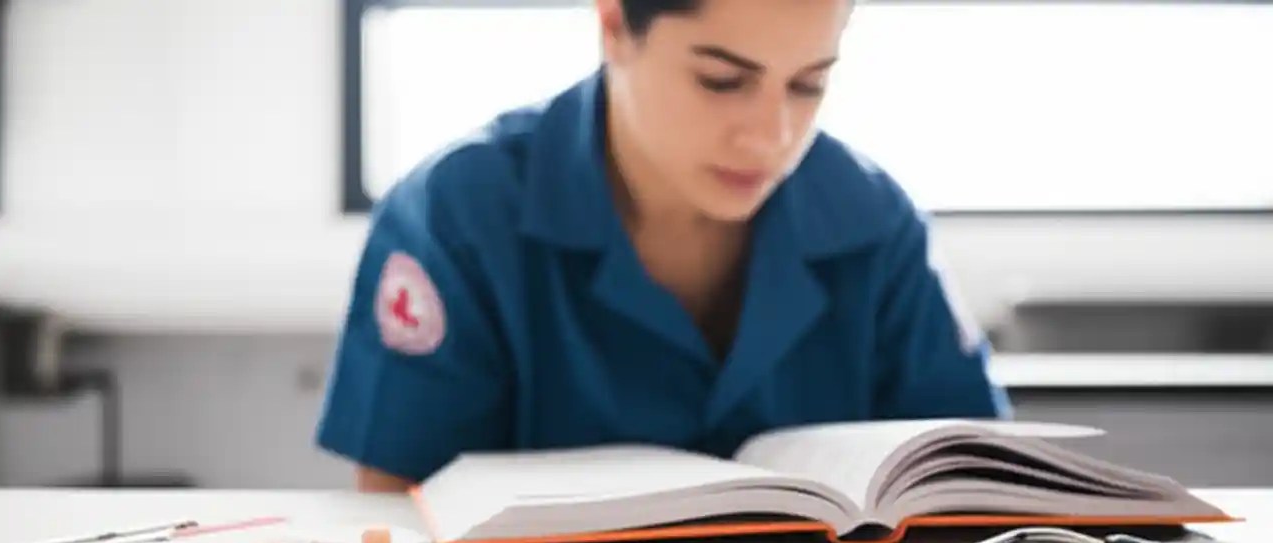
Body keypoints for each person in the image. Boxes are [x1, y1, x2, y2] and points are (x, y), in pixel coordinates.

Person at [317, 0, 1012, 493]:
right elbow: (398, 530)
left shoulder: (875, 219)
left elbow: (975, 485)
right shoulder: (457, 214)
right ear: (615, 23)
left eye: (808, 84)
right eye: (721, 79)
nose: (770, 135)